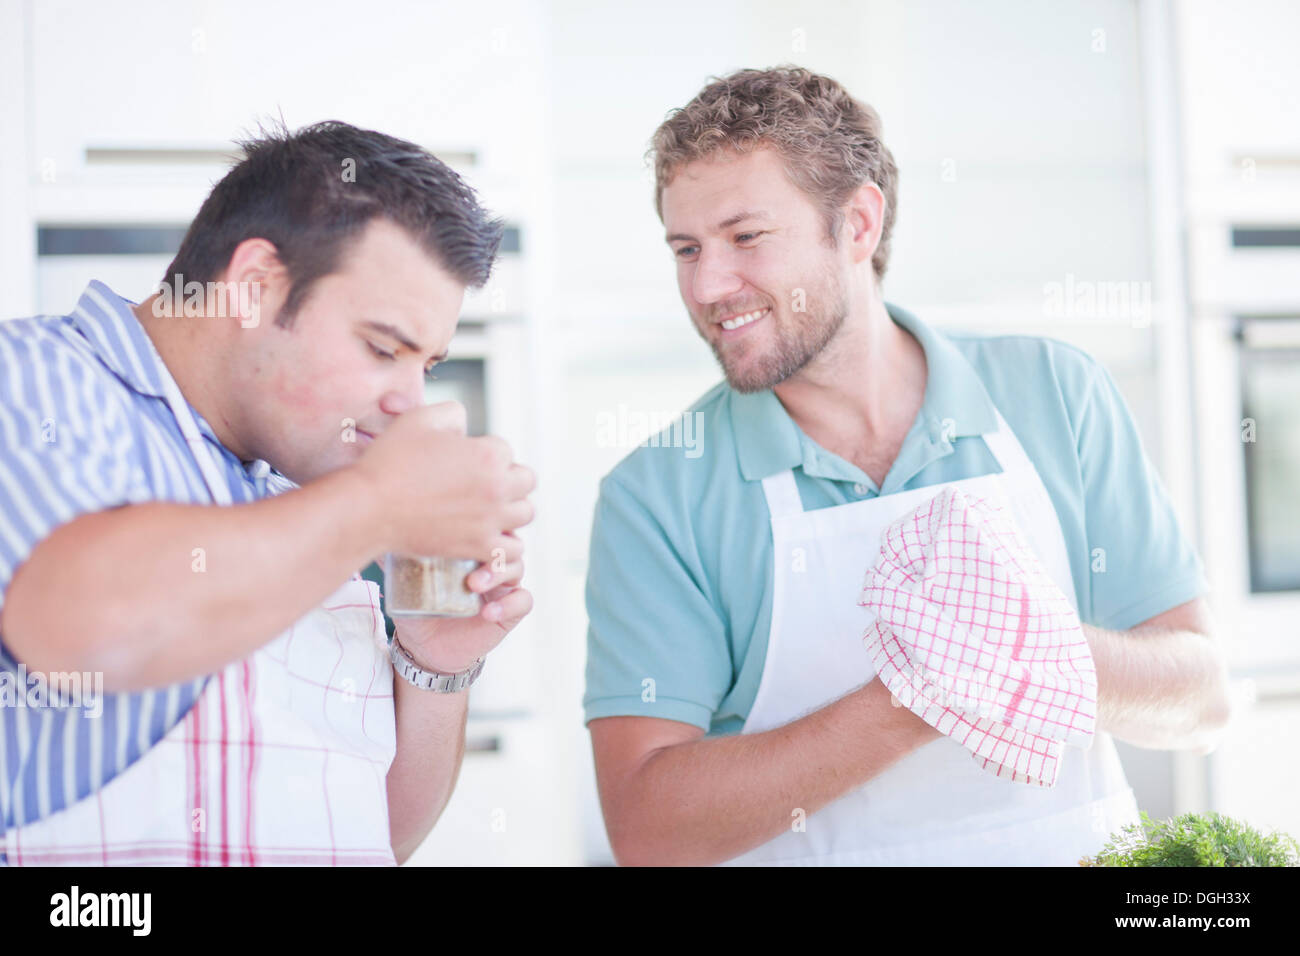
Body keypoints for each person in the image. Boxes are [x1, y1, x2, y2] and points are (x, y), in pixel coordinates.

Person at [583, 67, 1231, 867]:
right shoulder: (658, 495)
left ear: (857, 224)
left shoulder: (1054, 395)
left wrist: (1028, 645)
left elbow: (1200, 700)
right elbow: (650, 833)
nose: (708, 285)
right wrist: (915, 692)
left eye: (746, 237)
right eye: (687, 248)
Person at [0, 121, 536, 866]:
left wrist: (435, 663)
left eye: (428, 366)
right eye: (383, 348)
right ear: (253, 289)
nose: (410, 404)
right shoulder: (29, 380)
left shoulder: (313, 472)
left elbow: (377, 833)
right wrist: (382, 502)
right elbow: (85, 628)